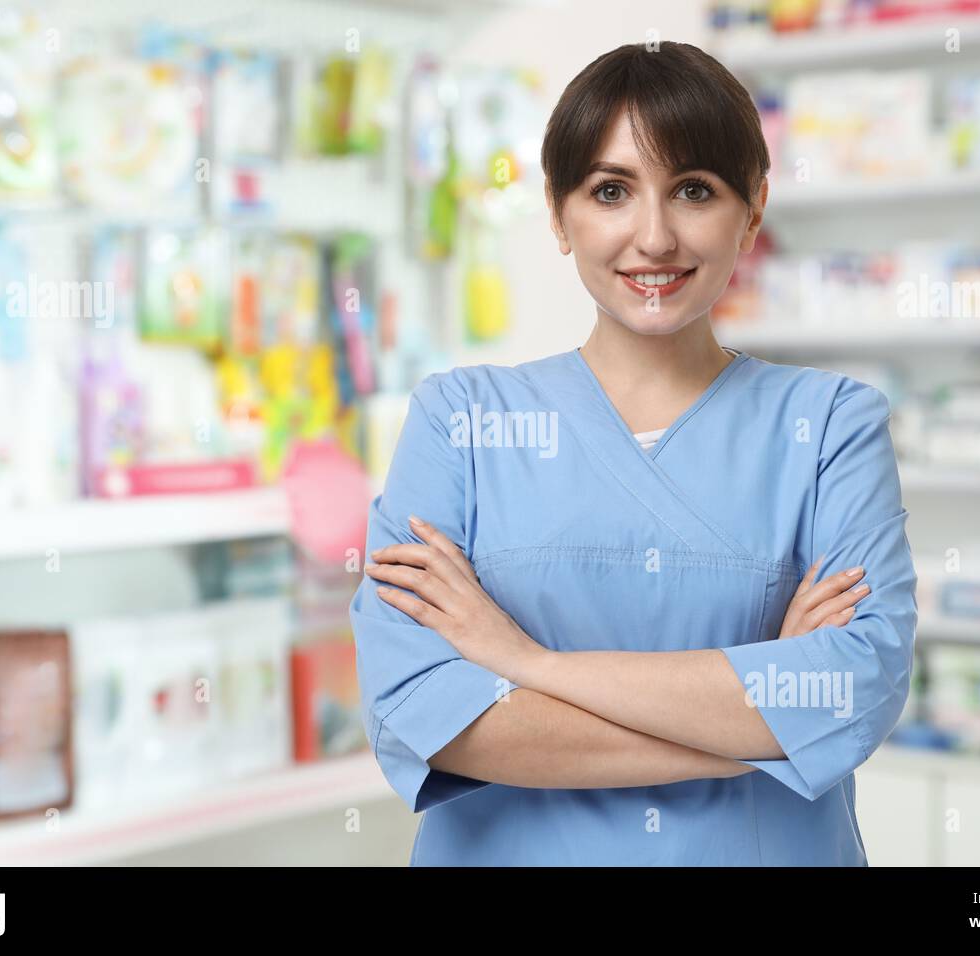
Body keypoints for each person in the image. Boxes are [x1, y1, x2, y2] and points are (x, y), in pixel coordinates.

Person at [349, 41, 918, 865]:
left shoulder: (831, 425)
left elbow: (850, 691)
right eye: (611, 191)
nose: (654, 237)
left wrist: (524, 661)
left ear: (753, 210)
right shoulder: (460, 419)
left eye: (694, 190)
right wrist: (761, 727)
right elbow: (420, 706)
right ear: (557, 212)